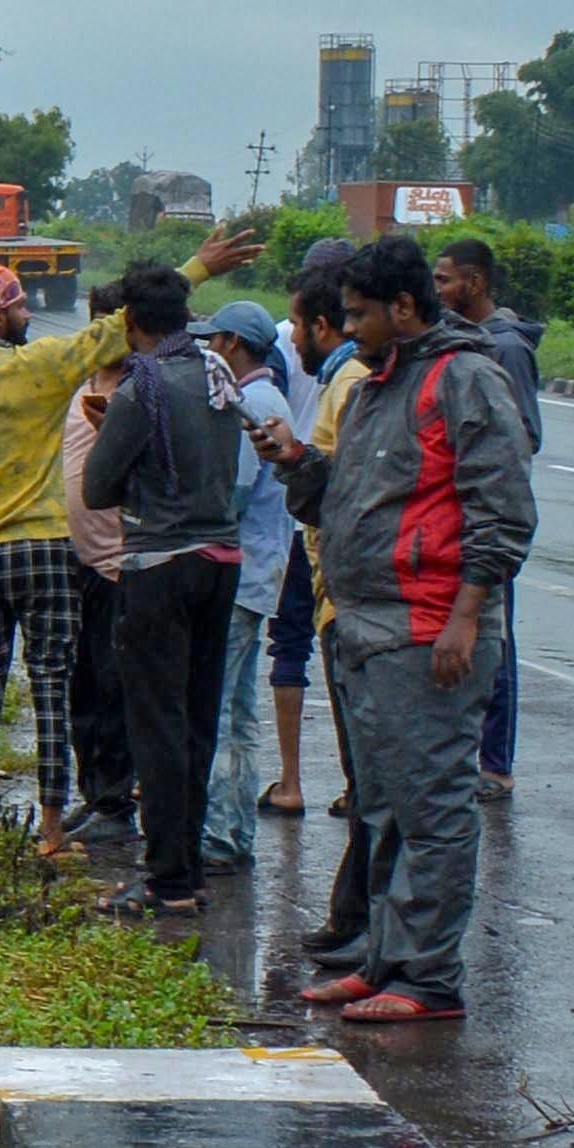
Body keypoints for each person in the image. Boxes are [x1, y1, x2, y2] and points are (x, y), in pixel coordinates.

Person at [258, 235, 537, 1024]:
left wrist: (467, 618)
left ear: (405, 308)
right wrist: (292, 463)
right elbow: (341, 497)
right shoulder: (380, 381)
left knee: (432, 803)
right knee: (380, 804)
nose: (347, 330)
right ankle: (384, 961)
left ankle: (428, 980)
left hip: (429, 632)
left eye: (358, 314)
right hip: (365, 627)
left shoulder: (466, 380)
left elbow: (503, 513)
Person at [0, 232, 254, 845]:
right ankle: (48, 827)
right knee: (50, 688)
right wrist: (196, 266)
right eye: (18, 306)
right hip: (43, 549)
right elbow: (121, 327)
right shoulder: (37, 368)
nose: (27, 314)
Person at [81, 265, 253, 915]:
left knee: (156, 724)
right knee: (197, 721)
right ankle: (188, 870)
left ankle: (168, 880)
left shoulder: (141, 386)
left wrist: (113, 439)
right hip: (221, 561)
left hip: (160, 567)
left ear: (129, 324)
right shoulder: (217, 374)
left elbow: (98, 488)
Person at [435, 236, 545, 798]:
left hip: (491, 518)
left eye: (446, 279)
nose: (439, 290)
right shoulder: (462, 345)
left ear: (475, 283)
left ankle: (495, 763)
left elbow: (523, 435)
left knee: (492, 637)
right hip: (458, 516)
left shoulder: (504, 349)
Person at [195, 299, 301, 869]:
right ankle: (231, 832)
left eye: (214, 341)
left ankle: (218, 833)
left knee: (219, 705)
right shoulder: (270, 398)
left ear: (234, 343)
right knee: (237, 708)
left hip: (239, 574)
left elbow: (231, 490)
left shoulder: (249, 404)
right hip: (261, 570)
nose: (210, 351)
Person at [257, 276, 358, 818]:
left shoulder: (350, 378)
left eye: (298, 325)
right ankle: (350, 785)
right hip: (314, 541)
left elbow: (349, 482)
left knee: (299, 651)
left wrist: (294, 459)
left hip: (321, 547)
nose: (292, 336)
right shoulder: (347, 371)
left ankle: (298, 780)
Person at [60, 286, 138, 841]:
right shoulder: (72, 386)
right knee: (80, 684)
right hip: (72, 560)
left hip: (122, 561)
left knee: (116, 686)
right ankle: (94, 794)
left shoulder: (141, 391)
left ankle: (115, 803)